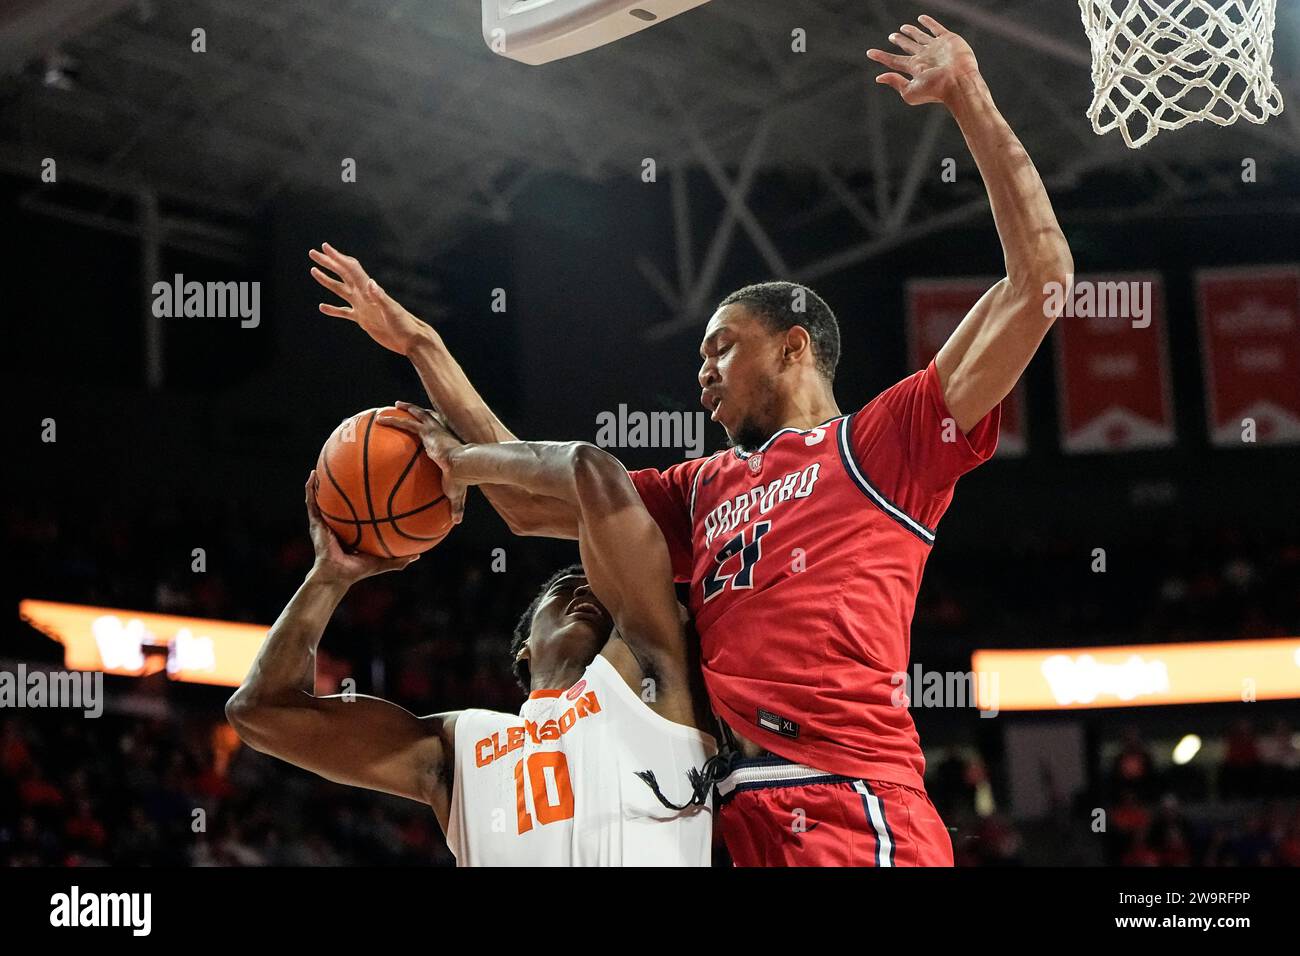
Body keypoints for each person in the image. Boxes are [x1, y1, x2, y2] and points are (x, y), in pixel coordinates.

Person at [309, 15, 1071, 866]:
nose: (702, 373)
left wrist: (968, 95)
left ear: (795, 345)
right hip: (726, 819)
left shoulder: (883, 443)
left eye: (720, 346)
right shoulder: (702, 488)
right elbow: (526, 503)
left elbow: (1040, 280)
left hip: (846, 799)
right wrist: (426, 348)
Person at [226, 422, 716, 865]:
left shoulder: (647, 676)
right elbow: (261, 711)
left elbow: (594, 472)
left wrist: (462, 463)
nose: (586, 590)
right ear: (524, 646)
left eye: (597, 590)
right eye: (563, 589)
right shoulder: (462, 746)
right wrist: (329, 577)